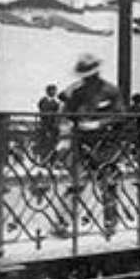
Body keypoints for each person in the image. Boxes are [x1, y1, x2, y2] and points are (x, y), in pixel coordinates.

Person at [55, 52, 125, 237]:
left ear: (97, 73)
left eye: (90, 76)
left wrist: (99, 123)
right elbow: (65, 115)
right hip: (82, 143)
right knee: (76, 182)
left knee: (108, 184)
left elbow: (120, 115)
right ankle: (62, 222)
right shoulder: (76, 92)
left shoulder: (110, 91)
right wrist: (64, 137)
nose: (87, 80)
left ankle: (110, 223)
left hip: (106, 143)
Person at [36, 84, 61, 160]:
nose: (53, 92)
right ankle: (43, 159)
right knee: (43, 143)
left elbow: (57, 113)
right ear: (47, 91)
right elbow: (41, 109)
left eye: (54, 91)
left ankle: (52, 160)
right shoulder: (43, 101)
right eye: (52, 90)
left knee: (53, 144)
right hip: (44, 124)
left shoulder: (56, 102)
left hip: (53, 125)